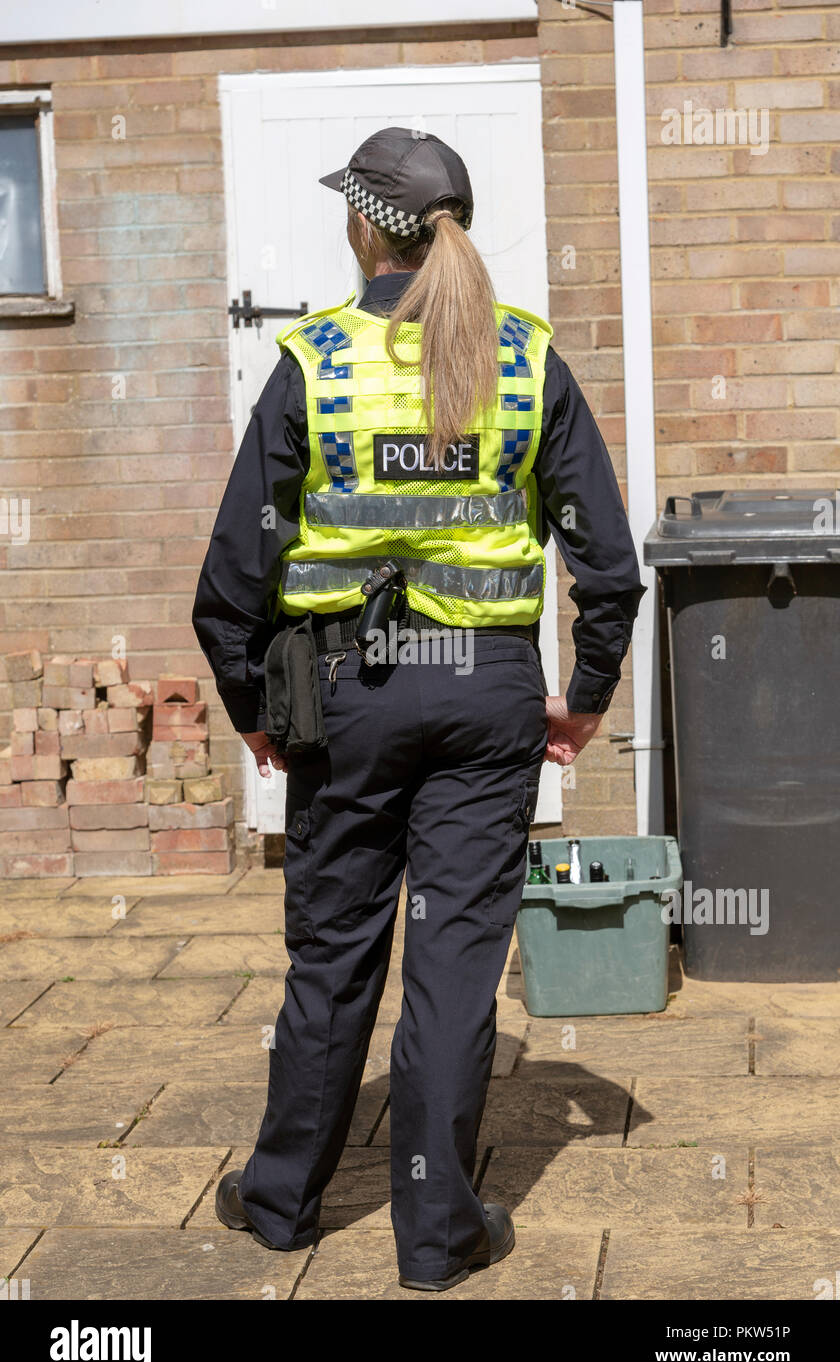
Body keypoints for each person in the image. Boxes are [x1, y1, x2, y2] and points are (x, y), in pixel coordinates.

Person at [192, 128, 644, 1292]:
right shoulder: (527, 360)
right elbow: (609, 563)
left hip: (348, 697)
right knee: (453, 966)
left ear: (365, 226)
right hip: (488, 699)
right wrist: (585, 699)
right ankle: (438, 1236)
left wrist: (252, 706)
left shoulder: (310, 363)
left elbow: (231, 581)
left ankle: (284, 1200)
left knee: (333, 954)